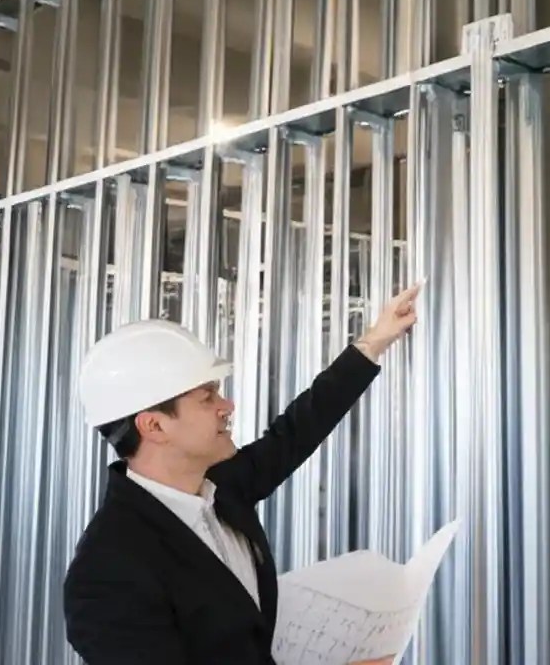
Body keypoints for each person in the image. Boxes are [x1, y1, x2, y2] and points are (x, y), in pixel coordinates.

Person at [63, 284, 421, 665]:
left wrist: (374, 341)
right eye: (207, 398)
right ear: (154, 426)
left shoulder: (221, 486)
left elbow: (297, 431)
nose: (227, 405)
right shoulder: (106, 573)